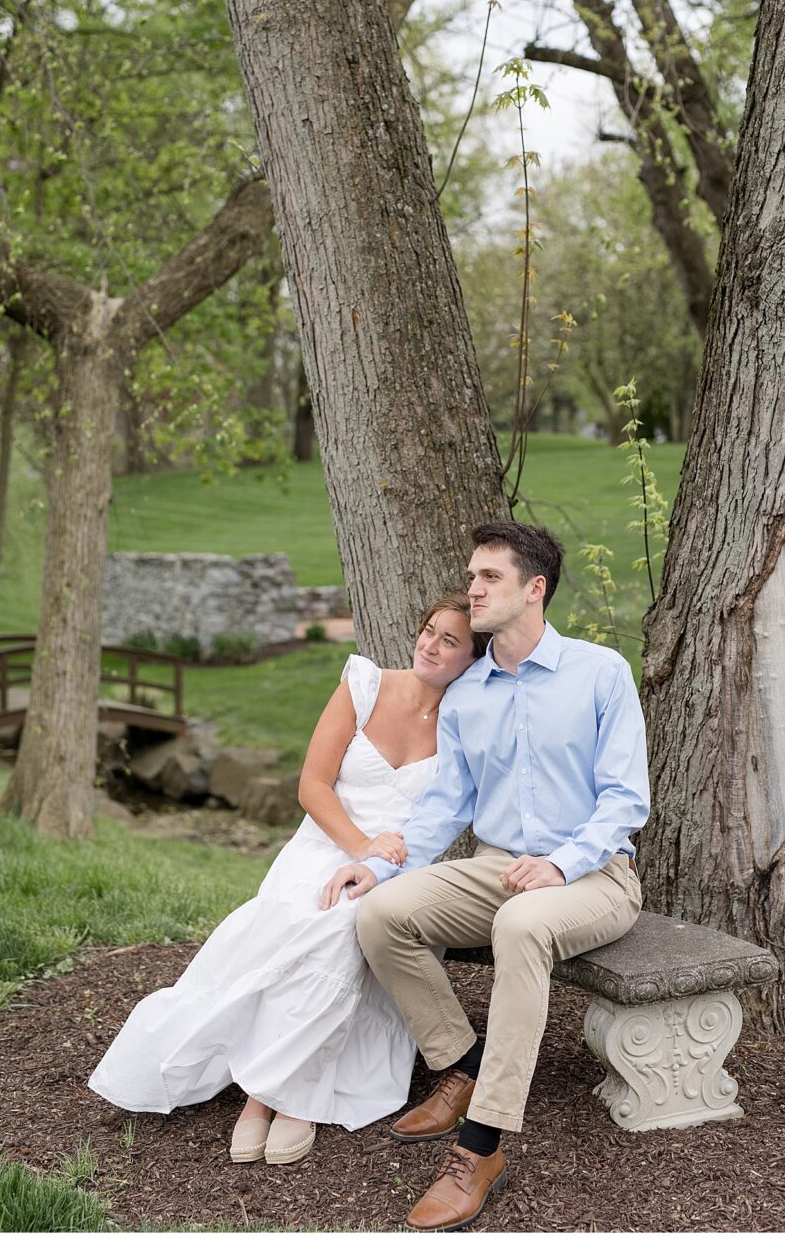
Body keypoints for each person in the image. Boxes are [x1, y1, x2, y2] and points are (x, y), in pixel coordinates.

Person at [322, 521, 650, 1232]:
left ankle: (481, 1146)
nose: (473, 589)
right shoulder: (471, 692)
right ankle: (464, 1062)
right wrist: (376, 865)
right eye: (471, 576)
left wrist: (563, 862)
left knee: (523, 925)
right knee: (381, 915)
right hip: (496, 867)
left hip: (595, 874)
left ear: (535, 590)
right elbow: (447, 807)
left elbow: (625, 799)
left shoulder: (601, 673)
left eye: (490, 578)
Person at [88, 594, 486, 1167]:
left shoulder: (466, 723)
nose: (430, 645)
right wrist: (358, 846)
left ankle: (278, 1095)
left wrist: (380, 862)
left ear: (472, 659)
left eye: (450, 641)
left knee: (350, 923)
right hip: (326, 843)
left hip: (398, 868)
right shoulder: (365, 684)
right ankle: (269, 1094)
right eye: (428, 631)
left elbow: (448, 814)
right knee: (312, 915)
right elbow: (312, 786)